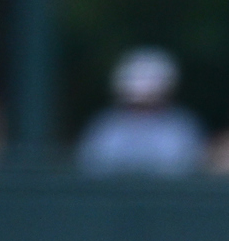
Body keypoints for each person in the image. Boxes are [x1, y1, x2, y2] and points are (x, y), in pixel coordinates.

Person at [76, 48, 203, 177]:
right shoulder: (105, 128)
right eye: (135, 106)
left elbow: (185, 170)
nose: (143, 115)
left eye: (151, 106)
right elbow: (93, 168)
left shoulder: (181, 128)